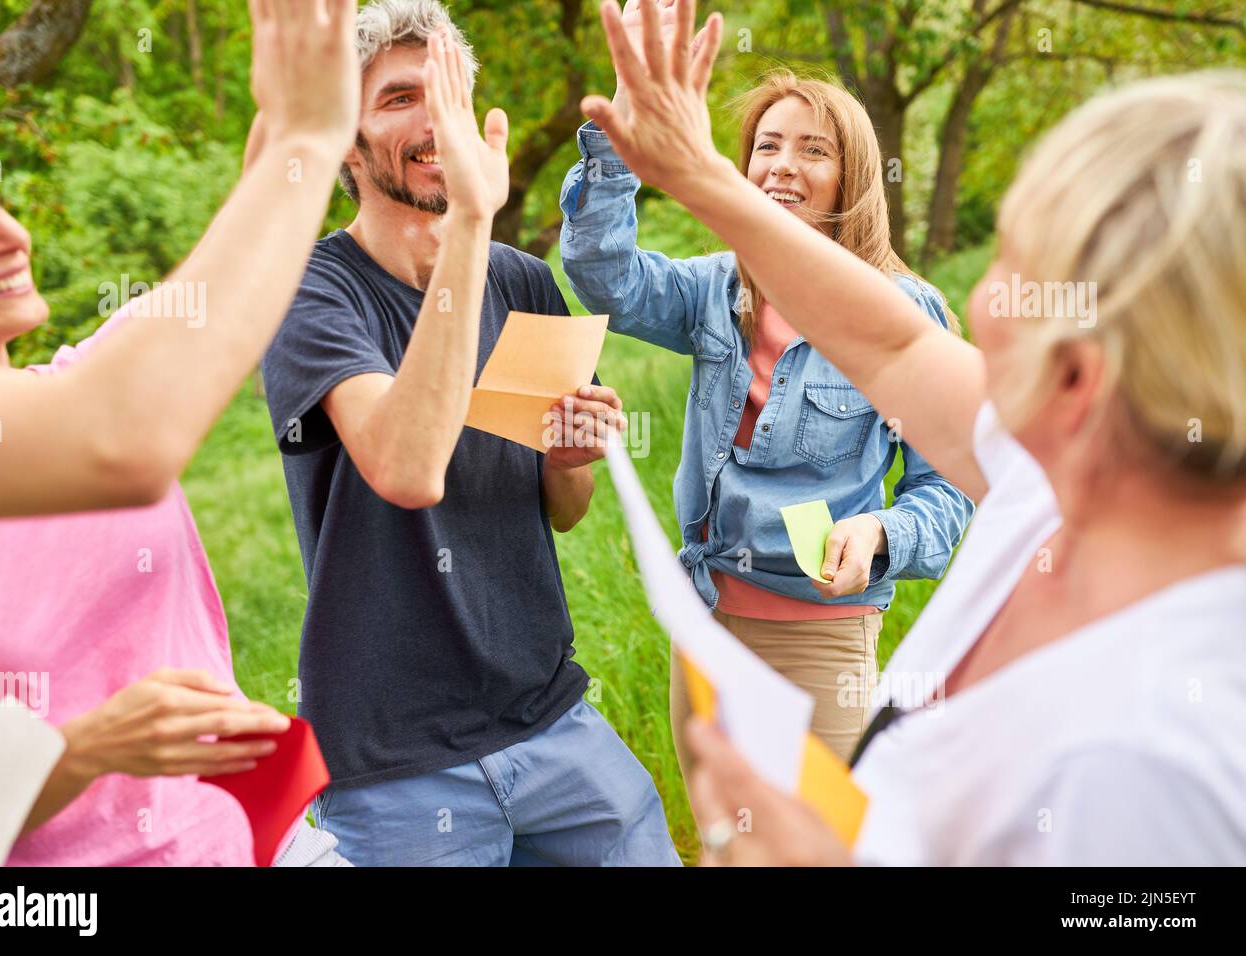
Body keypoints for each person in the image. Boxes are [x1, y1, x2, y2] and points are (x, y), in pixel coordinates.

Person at [584, 0, 1246, 864]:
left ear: (1083, 377)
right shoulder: (1038, 482)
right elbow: (892, 348)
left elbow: (899, 334)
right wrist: (693, 170)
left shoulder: (1148, 759)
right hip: (714, 612)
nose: (967, 307)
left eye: (1014, 271)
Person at [260, 0, 678, 866]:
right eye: (400, 97)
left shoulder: (523, 281)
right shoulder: (310, 292)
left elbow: (565, 508)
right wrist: (474, 225)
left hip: (550, 717)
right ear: (345, 136)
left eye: (447, 92)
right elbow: (407, 468)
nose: (432, 121)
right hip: (395, 761)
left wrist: (568, 460)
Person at [0, 0, 362, 866]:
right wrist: (90, 747)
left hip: (271, 844)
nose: (10, 235)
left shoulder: (84, 378)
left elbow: (249, 237)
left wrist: (301, 112)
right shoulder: (94, 416)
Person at [560, 0, 971, 777]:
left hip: (823, 639)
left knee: (823, 844)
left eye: (813, 150)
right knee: (729, 840)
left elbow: (949, 489)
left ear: (852, 177)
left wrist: (882, 534)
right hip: (707, 621)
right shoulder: (718, 290)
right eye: (767, 145)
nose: (782, 163)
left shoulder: (901, 313)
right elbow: (604, 276)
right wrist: (620, 144)